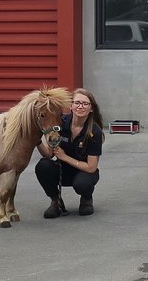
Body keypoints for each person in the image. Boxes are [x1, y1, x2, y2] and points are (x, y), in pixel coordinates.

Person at [35, 88, 104, 217]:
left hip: (84, 172)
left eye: (85, 104)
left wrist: (64, 157)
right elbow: (49, 154)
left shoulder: (95, 132)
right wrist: (37, 142)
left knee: (82, 184)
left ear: (91, 108)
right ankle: (55, 201)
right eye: (77, 103)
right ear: (71, 106)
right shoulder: (61, 123)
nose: (80, 106)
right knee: (43, 166)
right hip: (63, 171)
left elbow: (91, 167)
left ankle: (86, 198)